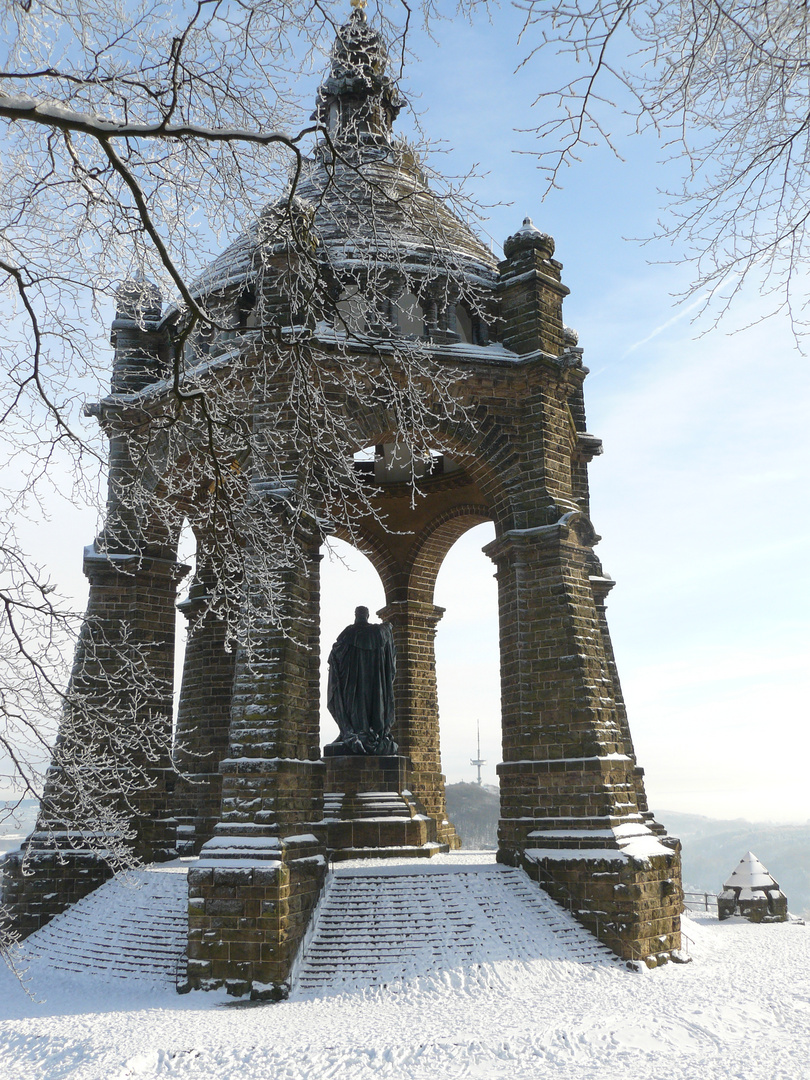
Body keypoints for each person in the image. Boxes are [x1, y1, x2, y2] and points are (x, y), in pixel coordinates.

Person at [326, 606, 397, 755]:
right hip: (374, 684)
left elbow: (337, 652)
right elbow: (390, 662)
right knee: (373, 706)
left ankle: (358, 731)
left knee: (354, 707)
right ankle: (372, 731)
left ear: (356, 616)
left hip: (354, 683)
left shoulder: (349, 633)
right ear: (367, 615)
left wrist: (333, 659)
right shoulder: (378, 633)